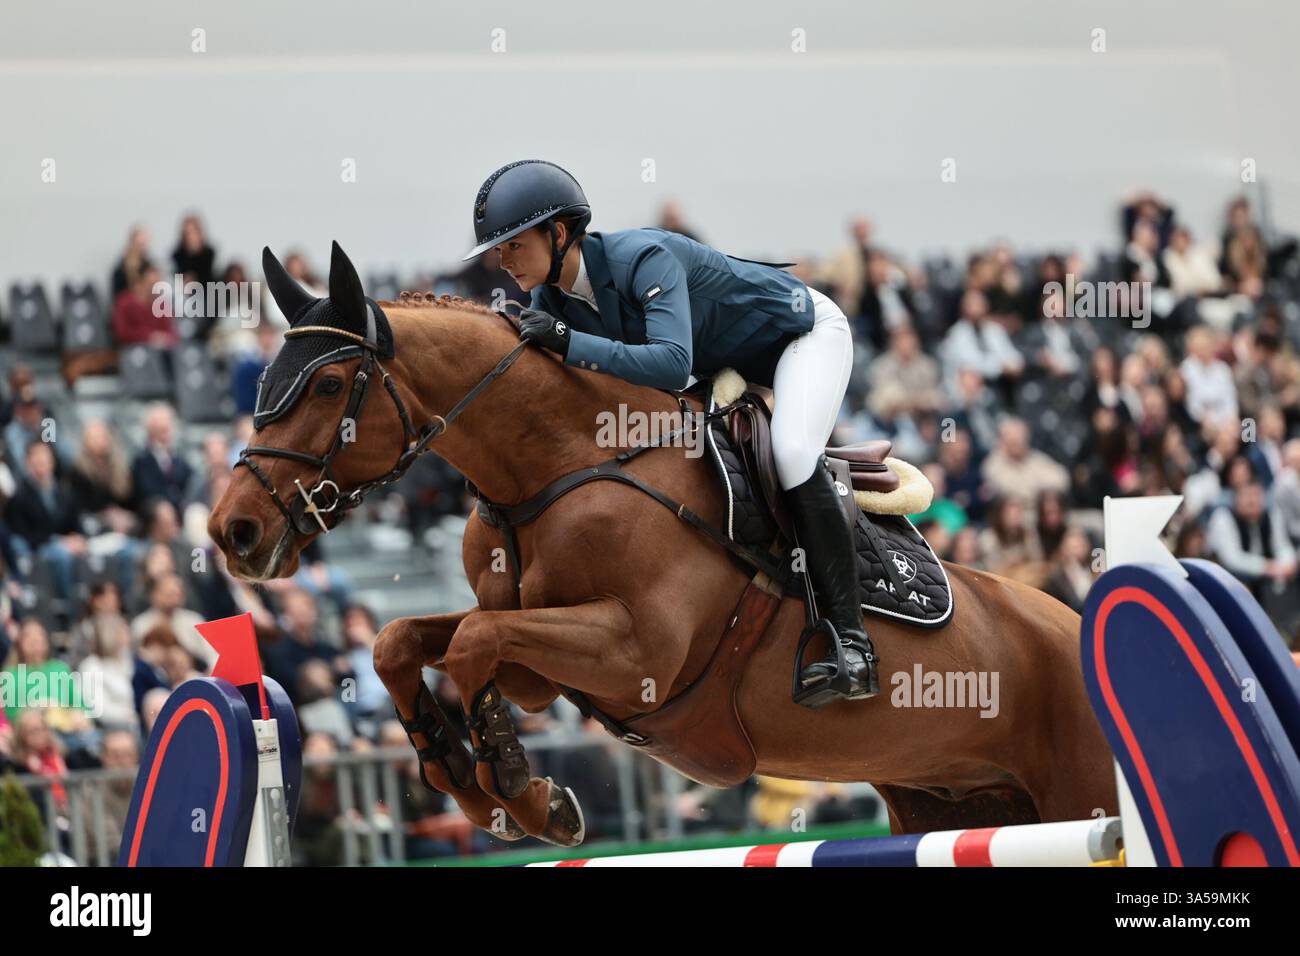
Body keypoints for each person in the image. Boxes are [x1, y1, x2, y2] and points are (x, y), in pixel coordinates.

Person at [461, 159, 876, 704]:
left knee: (794, 453)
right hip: (723, 364)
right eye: (498, 248)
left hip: (800, 338)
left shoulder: (642, 258)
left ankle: (853, 646)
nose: (501, 259)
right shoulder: (550, 301)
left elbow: (669, 364)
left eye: (513, 243)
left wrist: (567, 340)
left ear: (558, 233)